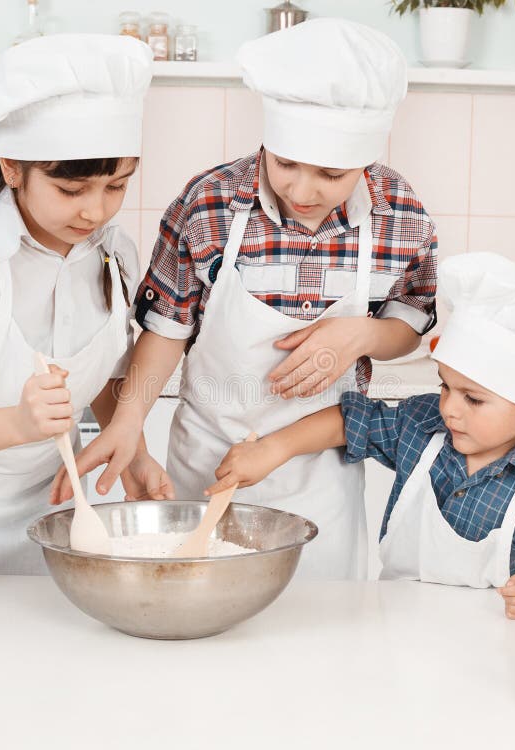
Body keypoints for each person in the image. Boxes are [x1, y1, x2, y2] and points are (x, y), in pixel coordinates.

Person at [54, 19, 438, 580]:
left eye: (330, 174)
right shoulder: (211, 201)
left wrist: (361, 335)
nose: (302, 191)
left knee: (316, 632)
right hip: (205, 461)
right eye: (284, 163)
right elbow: (166, 328)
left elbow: (410, 320)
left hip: (321, 471)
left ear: (365, 160)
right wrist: (128, 418)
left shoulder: (397, 211)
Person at [0, 34, 168, 574]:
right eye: (72, 190)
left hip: (58, 512)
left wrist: (131, 453)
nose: (95, 210)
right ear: (14, 168)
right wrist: (21, 422)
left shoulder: (115, 254)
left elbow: (109, 382)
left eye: (116, 186)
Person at [207, 253, 515, 616]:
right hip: (395, 633)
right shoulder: (423, 426)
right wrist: (273, 449)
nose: (449, 407)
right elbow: (351, 422)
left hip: (493, 647)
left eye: (472, 399)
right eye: (445, 386)